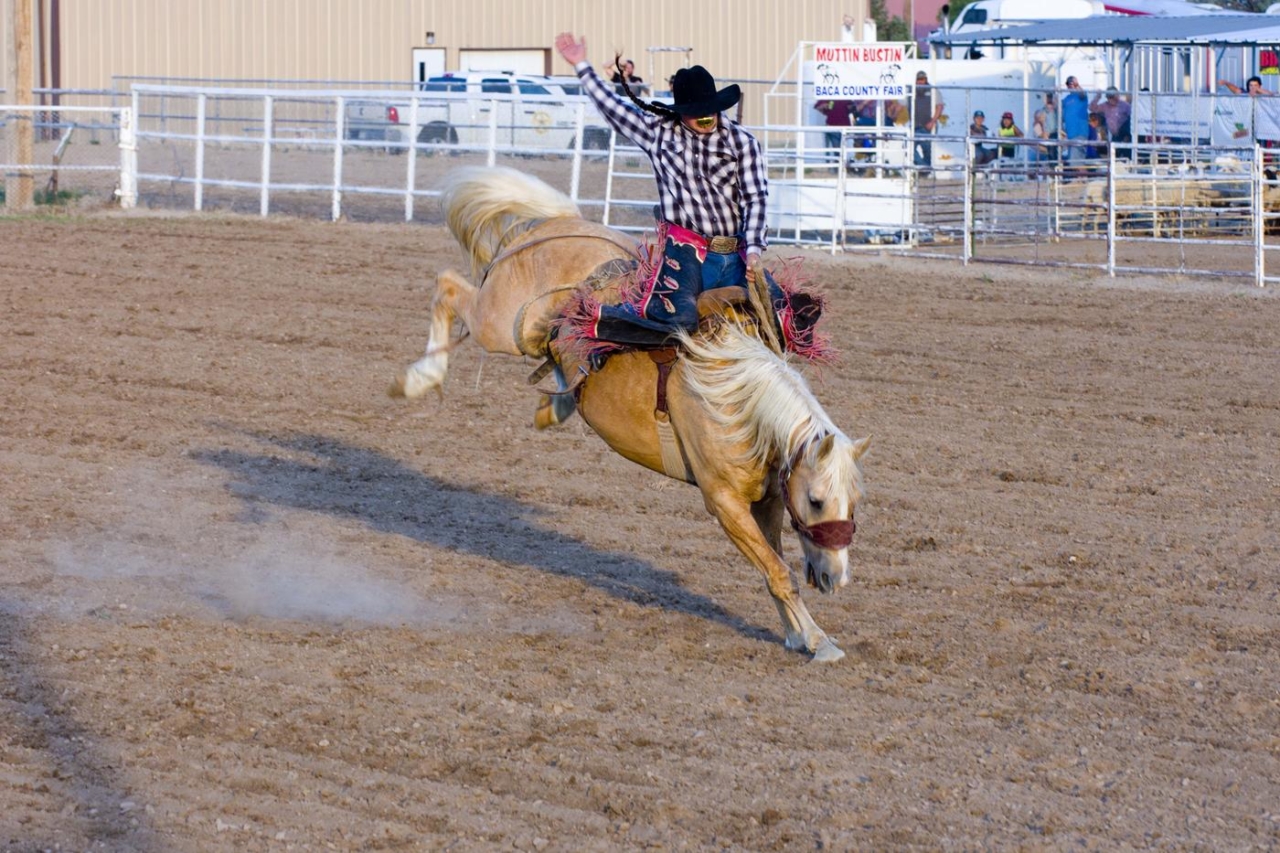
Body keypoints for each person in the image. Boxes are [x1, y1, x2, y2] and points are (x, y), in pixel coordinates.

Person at [550, 32, 821, 363]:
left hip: (734, 252)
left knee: (787, 319)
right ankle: (604, 327)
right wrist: (581, 65)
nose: (705, 118)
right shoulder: (658, 133)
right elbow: (614, 109)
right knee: (679, 319)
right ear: (681, 112)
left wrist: (752, 251)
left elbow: (756, 199)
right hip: (685, 251)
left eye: (710, 110)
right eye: (696, 112)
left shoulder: (742, 143)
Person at [913, 70, 945, 175]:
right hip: (915, 125)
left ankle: (924, 172)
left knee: (927, 150)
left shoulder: (933, 90)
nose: (921, 81)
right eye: (919, 79)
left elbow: (939, 106)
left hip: (927, 125)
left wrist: (933, 121)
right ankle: (925, 168)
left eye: (923, 79)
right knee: (910, 149)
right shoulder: (912, 90)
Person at [1090, 86, 1132, 159]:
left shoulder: (1125, 106)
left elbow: (1132, 119)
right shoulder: (1105, 106)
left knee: (1127, 156)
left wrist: (1128, 135)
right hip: (1115, 136)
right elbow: (1092, 108)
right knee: (1114, 157)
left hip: (1126, 135)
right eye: (1110, 97)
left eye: (1114, 96)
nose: (1113, 99)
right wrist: (1097, 97)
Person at [1061, 76, 1090, 169]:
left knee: (1076, 163)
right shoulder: (1066, 99)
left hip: (1079, 132)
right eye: (1069, 84)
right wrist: (1053, 92)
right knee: (1074, 162)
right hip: (1070, 135)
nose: (1071, 85)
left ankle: (1081, 181)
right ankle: (1080, 181)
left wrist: (1077, 85)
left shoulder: (1081, 96)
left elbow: (1082, 94)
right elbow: (1056, 106)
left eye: (1072, 83)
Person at [815, 98, 855, 163]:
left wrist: (850, 108)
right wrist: (824, 108)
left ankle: (845, 166)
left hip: (844, 127)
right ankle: (836, 167)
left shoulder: (845, 96)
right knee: (836, 149)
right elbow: (818, 106)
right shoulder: (829, 96)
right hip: (832, 126)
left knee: (846, 148)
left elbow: (853, 108)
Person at [1042, 91, 1060, 163]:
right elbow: (1044, 122)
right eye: (1048, 97)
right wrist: (1045, 132)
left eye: (1050, 97)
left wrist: (1055, 94)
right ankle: (1052, 166)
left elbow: (1056, 101)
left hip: (1054, 132)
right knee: (1050, 151)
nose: (1049, 99)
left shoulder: (1055, 108)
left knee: (1053, 152)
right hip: (1048, 133)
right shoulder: (1044, 109)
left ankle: (1054, 166)